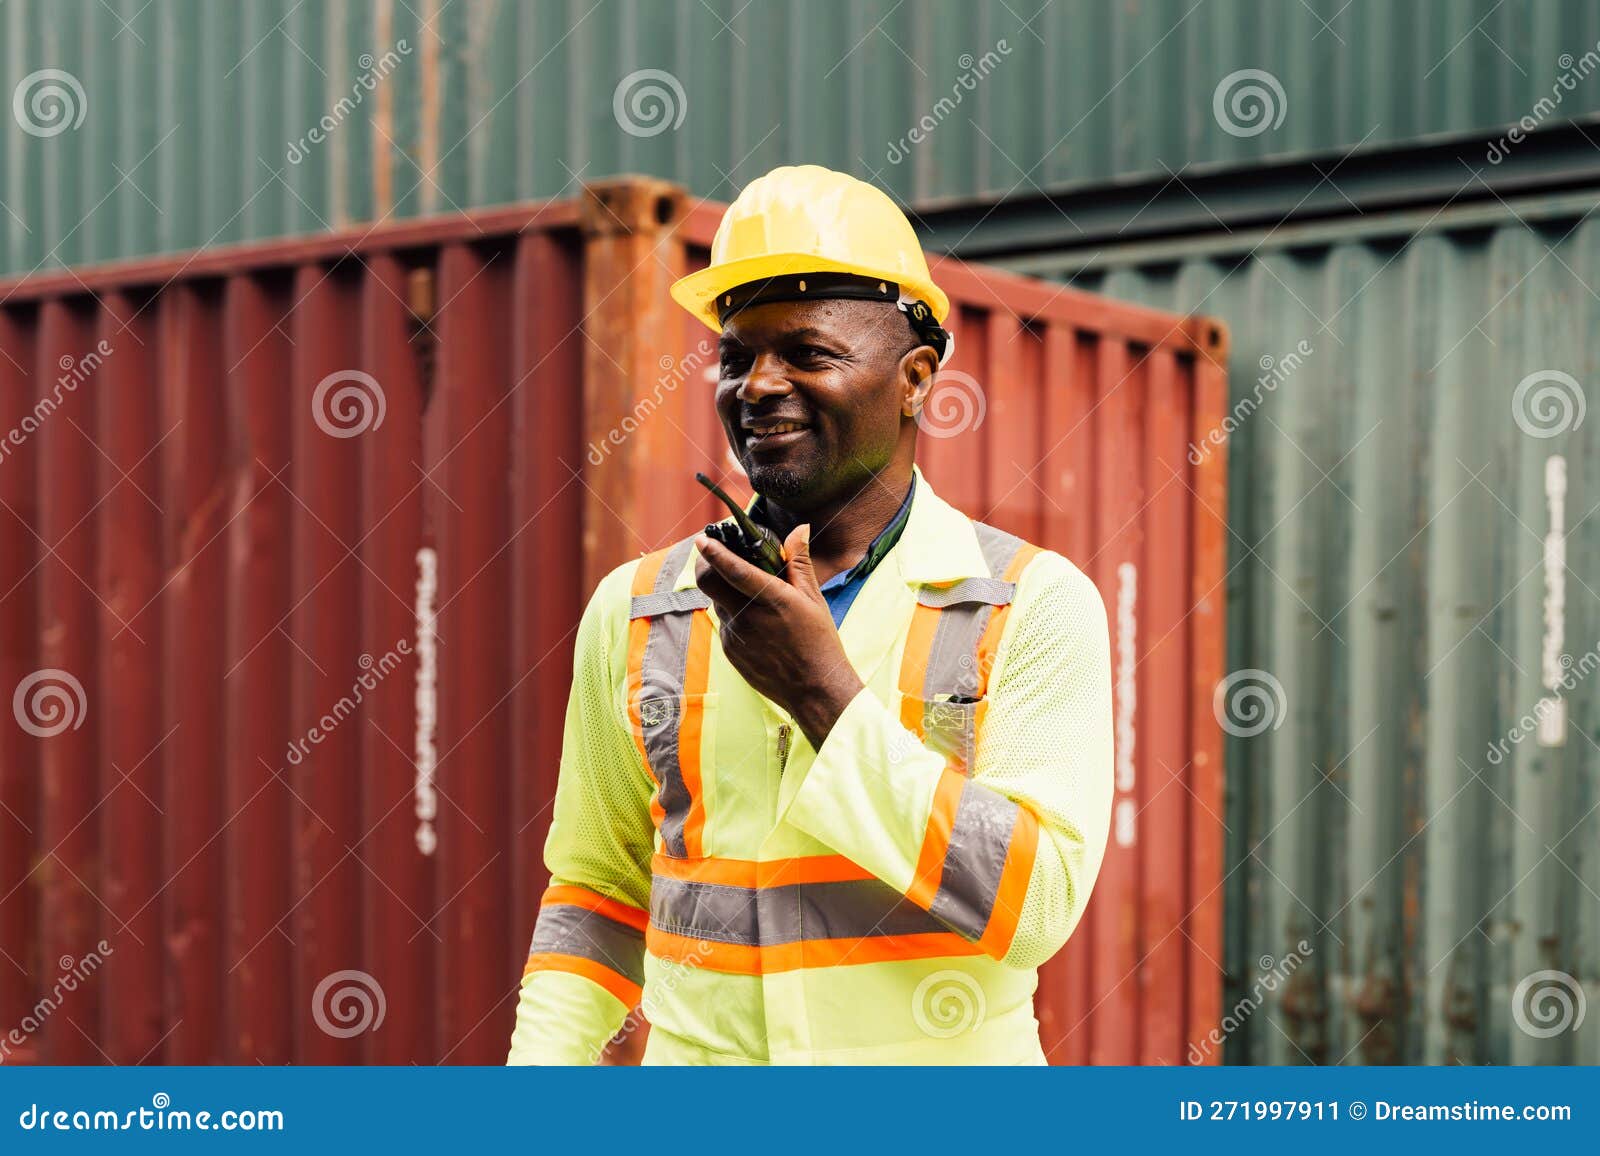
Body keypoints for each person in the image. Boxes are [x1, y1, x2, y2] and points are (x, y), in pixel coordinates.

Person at [507, 164, 1113, 1065]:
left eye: (807, 353)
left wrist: (824, 694)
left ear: (913, 380)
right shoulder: (640, 608)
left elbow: (1037, 907)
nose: (758, 385)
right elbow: (597, 892)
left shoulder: (1028, 603)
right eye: (738, 356)